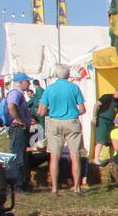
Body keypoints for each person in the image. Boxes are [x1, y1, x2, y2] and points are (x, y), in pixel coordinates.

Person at [36, 66, 87, 196]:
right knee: (74, 155)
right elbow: (82, 109)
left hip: (55, 122)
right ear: (68, 74)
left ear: (56, 75)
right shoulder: (74, 87)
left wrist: (52, 111)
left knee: (54, 156)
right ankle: (77, 187)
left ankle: (54, 188)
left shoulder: (50, 89)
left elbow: (41, 112)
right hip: (72, 122)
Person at [3, 74, 33, 192]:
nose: (29, 84)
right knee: (17, 157)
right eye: (27, 81)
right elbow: (11, 106)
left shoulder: (18, 94)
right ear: (21, 82)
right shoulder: (15, 93)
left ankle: (21, 183)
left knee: (21, 155)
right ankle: (17, 186)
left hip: (19, 128)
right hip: (17, 128)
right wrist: (19, 120)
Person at [91, 91, 118, 166]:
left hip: (110, 122)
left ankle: (112, 159)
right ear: (116, 91)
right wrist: (94, 117)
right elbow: (96, 105)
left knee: (111, 141)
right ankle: (96, 159)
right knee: (100, 140)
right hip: (102, 120)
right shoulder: (107, 96)